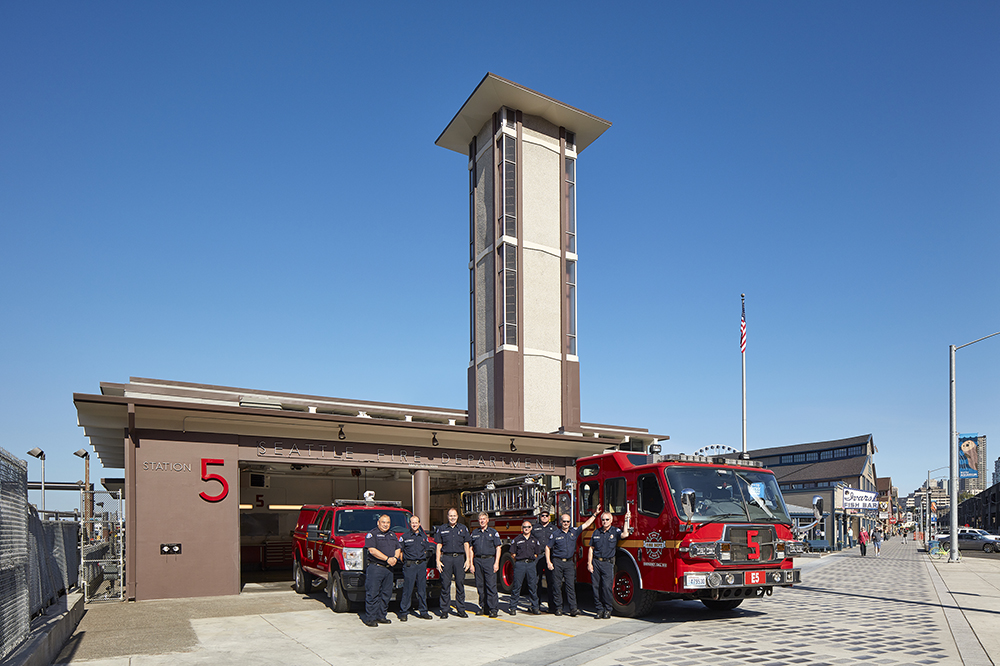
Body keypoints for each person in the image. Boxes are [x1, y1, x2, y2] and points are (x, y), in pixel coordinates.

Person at [545, 508, 599, 616]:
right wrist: (548, 562)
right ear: (561, 522)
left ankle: (573, 609)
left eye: (568, 521)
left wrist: (595, 514)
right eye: (564, 521)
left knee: (570, 586)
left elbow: (586, 524)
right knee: (557, 586)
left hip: (569, 563)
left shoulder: (574, 531)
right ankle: (558, 608)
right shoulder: (555, 534)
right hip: (557, 562)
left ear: (570, 522)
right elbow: (547, 547)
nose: (566, 523)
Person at [588, 508, 631, 619]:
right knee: (596, 587)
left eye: (607, 519)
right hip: (596, 562)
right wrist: (589, 563)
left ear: (611, 520)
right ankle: (599, 610)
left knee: (607, 587)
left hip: (608, 563)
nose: (605, 521)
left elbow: (625, 534)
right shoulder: (596, 532)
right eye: (603, 520)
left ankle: (608, 609)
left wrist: (626, 520)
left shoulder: (615, 531)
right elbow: (591, 548)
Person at [362, 514, 402, 627]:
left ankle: (381, 616)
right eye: (383, 522)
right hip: (376, 568)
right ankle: (371, 618)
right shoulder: (372, 534)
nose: (385, 524)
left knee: (386, 594)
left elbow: (398, 548)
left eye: (388, 522)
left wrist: (395, 558)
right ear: (378, 523)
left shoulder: (392, 534)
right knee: (373, 594)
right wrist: (387, 559)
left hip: (389, 569)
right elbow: (372, 550)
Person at [435, 508, 472, 618]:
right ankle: (444, 610)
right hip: (446, 558)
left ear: (457, 517)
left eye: (454, 516)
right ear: (447, 516)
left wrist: (468, 560)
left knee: (460, 584)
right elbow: (439, 545)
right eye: (450, 516)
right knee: (445, 585)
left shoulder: (463, 528)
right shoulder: (442, 529)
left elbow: (466, 544)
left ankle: (461, 609)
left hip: (459, 559)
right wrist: (438, 560)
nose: (452, 518)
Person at [398, 514, 433, 621]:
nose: (414, 524)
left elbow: (426, 550)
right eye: (412, 522)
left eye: (416, 522)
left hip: (421, 565)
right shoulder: (404, 537)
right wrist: (405, 561)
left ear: (419, 524)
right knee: (407, 589)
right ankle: (404, 612)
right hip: (410, 565)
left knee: (422, 589)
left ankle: (423, 611)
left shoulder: (423, 537)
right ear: (410, 524)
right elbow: (400, 552)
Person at [507, 521, 544, 615]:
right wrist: (519, 560)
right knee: (517, 586)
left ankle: (535, 607)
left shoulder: (535, 540)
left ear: (531, 528)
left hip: (531, 565)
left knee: (533, 586)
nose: (526, 528)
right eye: (524, 527)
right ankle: (513, 607)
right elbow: (512, 554)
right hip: (520, 564)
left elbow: (537, 553)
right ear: (522, 528)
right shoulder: (517, 539)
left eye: (528, 527)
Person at [469, 511, 502, 617]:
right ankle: (484, 607)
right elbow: (471, 549)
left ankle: (493, 609)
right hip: (478, 561)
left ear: (487, 520)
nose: (482, 521)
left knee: (491, 585)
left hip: (489, 560)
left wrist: (496, 563)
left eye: (484, 519)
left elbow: (498, 548)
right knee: (480, 586)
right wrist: (471, 563)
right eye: (480, 519)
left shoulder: (493, 532)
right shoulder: (474, 533)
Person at [533, 508, 556, 612]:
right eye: (542, 516)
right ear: (540, 517)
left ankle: (552, 606)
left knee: (551, 581)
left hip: (549, 557)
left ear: (549, 517)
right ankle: (536, 605)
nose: (544, 517)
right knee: (536, 581)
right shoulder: (534, 528)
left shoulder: (554, 529)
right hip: (538, 557)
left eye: (546, 516)